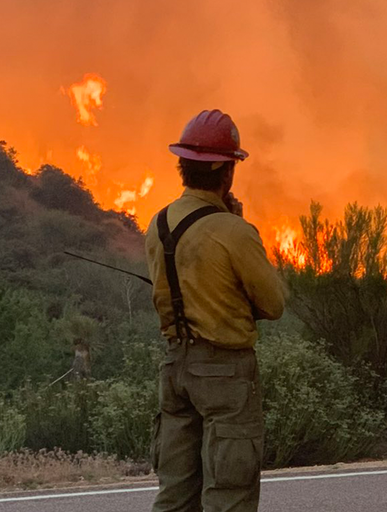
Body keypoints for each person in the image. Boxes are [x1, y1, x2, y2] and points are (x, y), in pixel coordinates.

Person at [145, 109, 284, 512]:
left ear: (182, 167)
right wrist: (234, 225)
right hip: (225, 373)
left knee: (175, 492)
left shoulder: (158, 224)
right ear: (228, 171)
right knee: (229, 491)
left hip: (174, 369)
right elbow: (273, 304)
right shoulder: (235, 232)